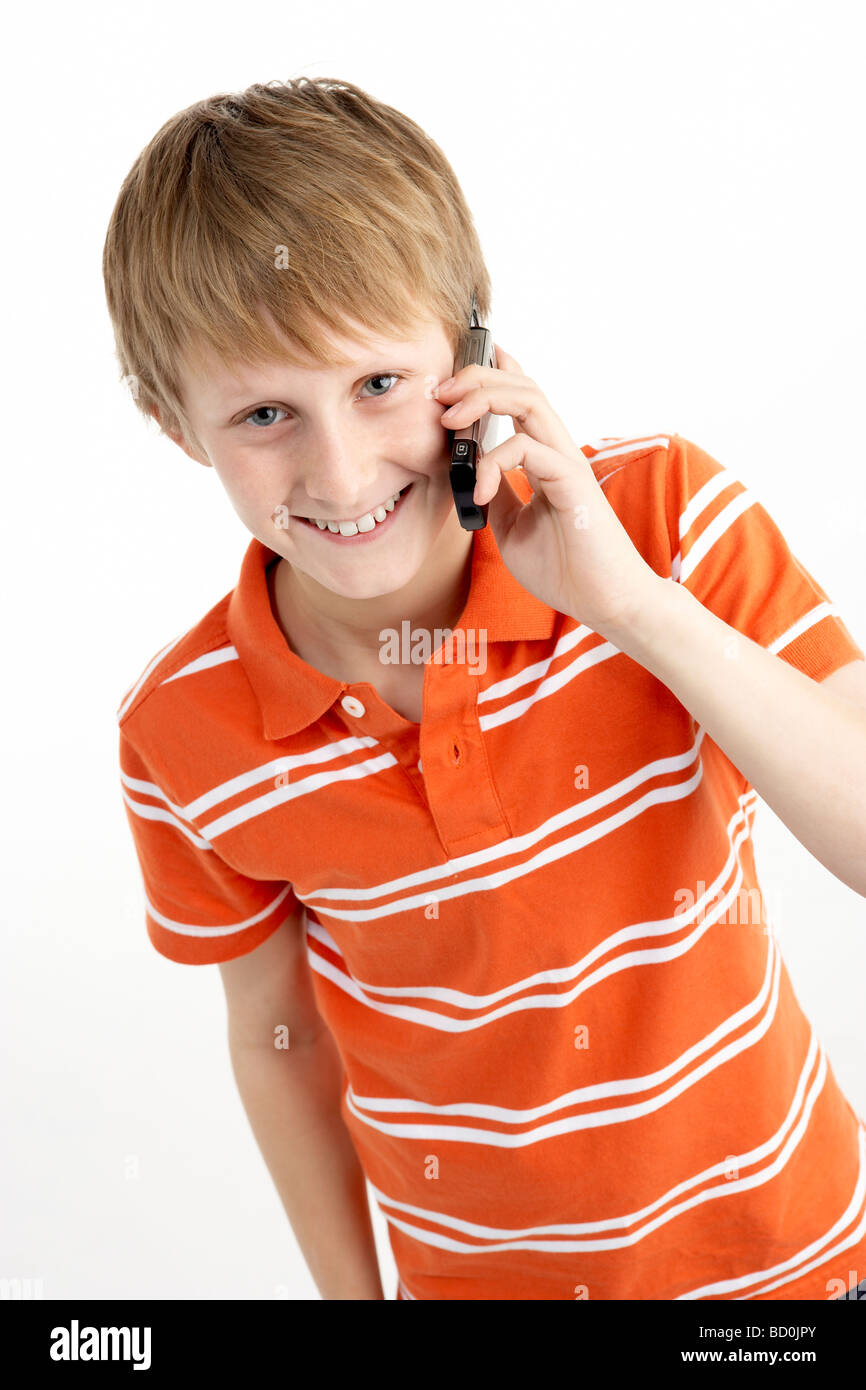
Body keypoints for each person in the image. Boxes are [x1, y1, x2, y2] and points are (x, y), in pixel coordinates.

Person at [105, 76, 866, 1302]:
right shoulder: (181, 728)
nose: (340, 470)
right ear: (175, 425)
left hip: (800, 1275)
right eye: (263, 413)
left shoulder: (663, 515)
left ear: (472, 351)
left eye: (377, 385)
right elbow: (275, 1032)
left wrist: (628, 605)